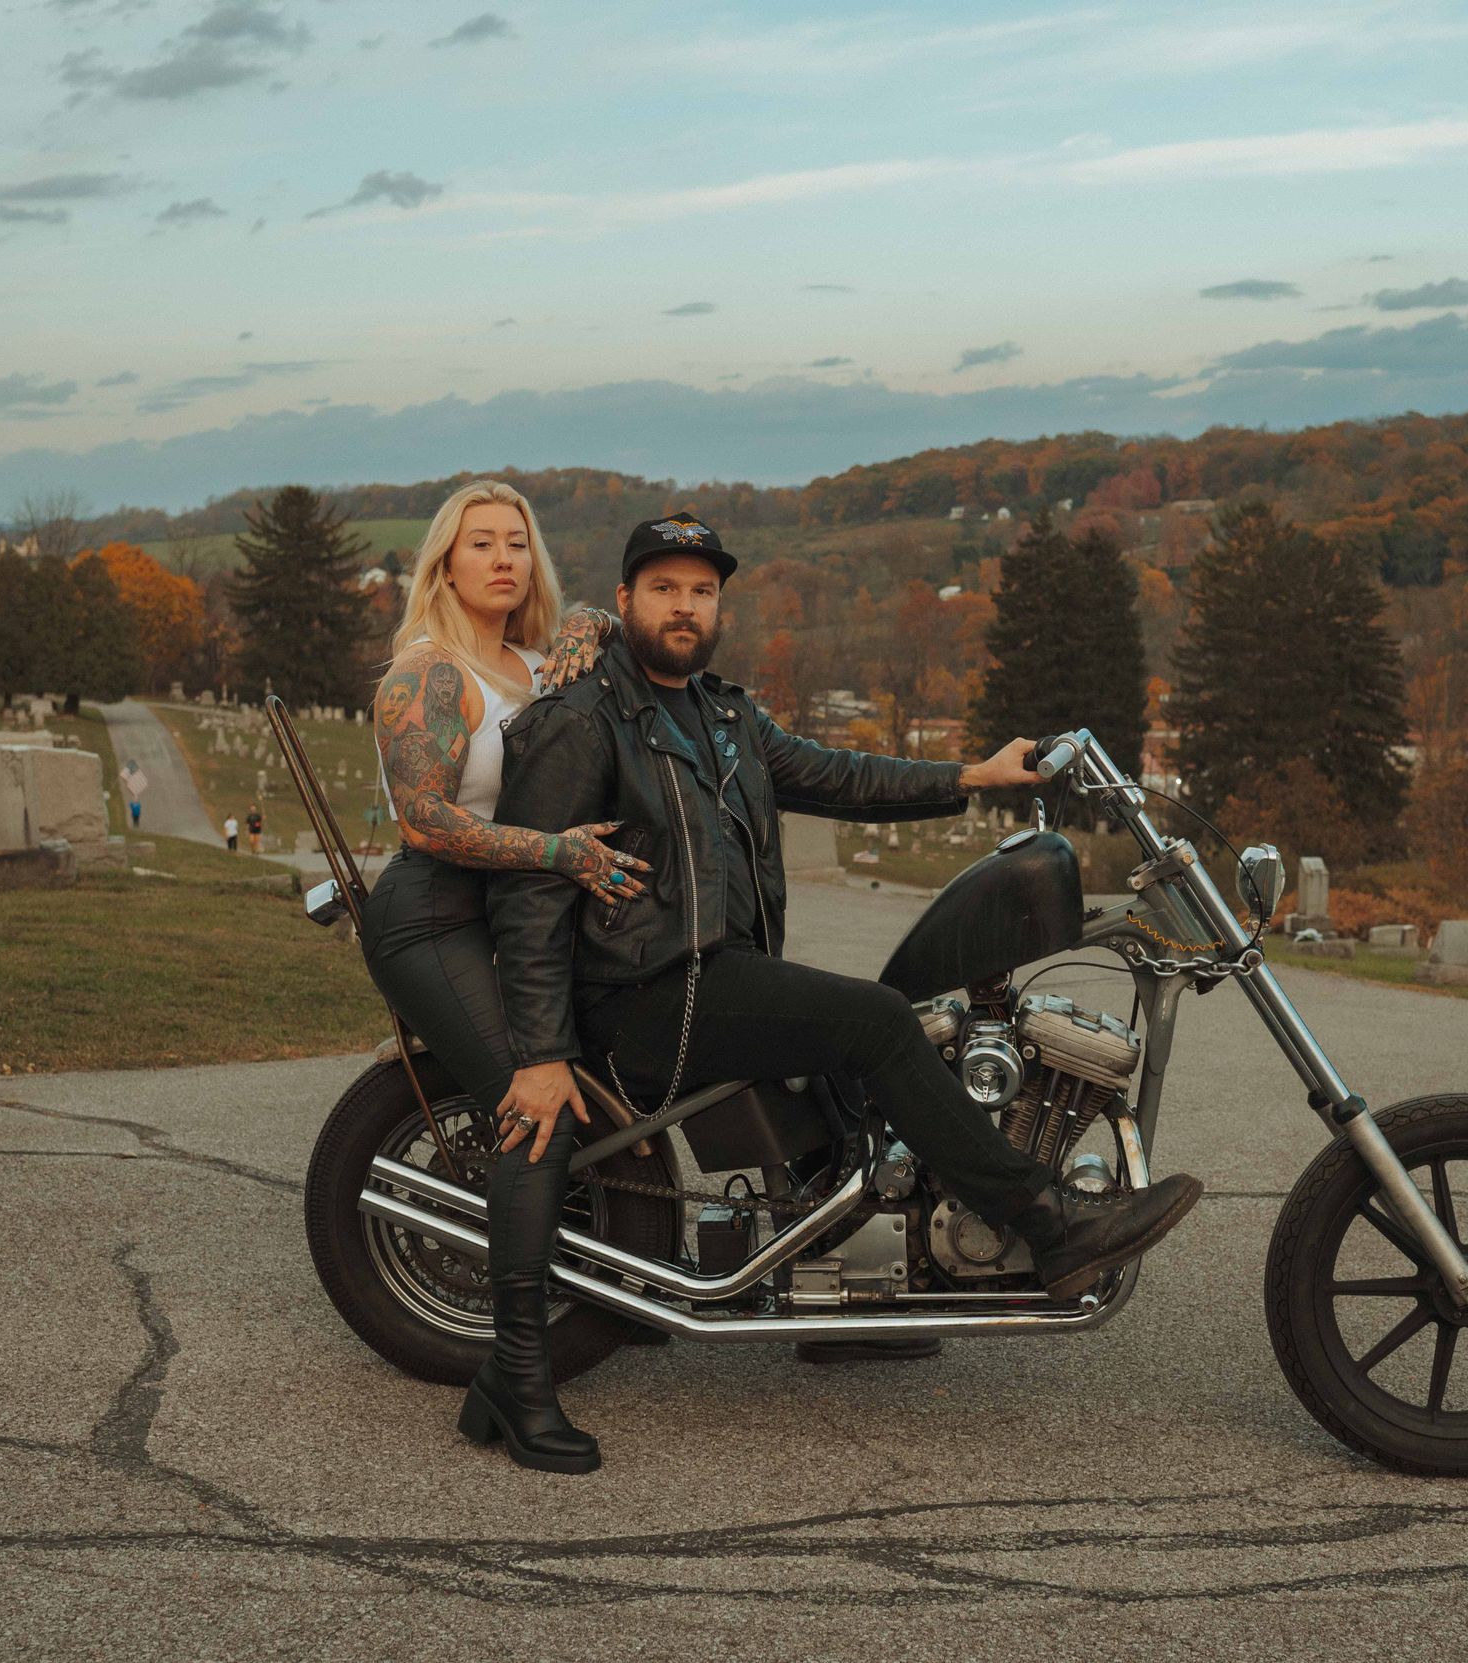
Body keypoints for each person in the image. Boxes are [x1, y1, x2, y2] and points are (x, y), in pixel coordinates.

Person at [485, 512, 1203, 1472]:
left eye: (701, 590)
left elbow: (840, 775)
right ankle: (1051, 1221)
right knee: (872, 1021)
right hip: (645, 992)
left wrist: (973, 775)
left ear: (718, 605)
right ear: (624, 602)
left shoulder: (723, 716)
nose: (684, 606)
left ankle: (854, 1297)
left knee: (882, 1029)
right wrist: (540, 1051)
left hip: (709, 975)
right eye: (664, 588)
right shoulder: (585, 718)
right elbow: (532, 891)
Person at [354, 479, 645, 1477]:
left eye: (517, 543)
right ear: (445, 562)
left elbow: (598, 676)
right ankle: (517, 1378)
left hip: (511, 915)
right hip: (433, 914)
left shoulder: (531, 661)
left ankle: (616, 1295)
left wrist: (596, 623)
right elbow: (424, 819)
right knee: (536, 1106)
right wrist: (558, 853)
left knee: (609, 1084)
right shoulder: (424, 675)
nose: (503, 559)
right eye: (480, 543)